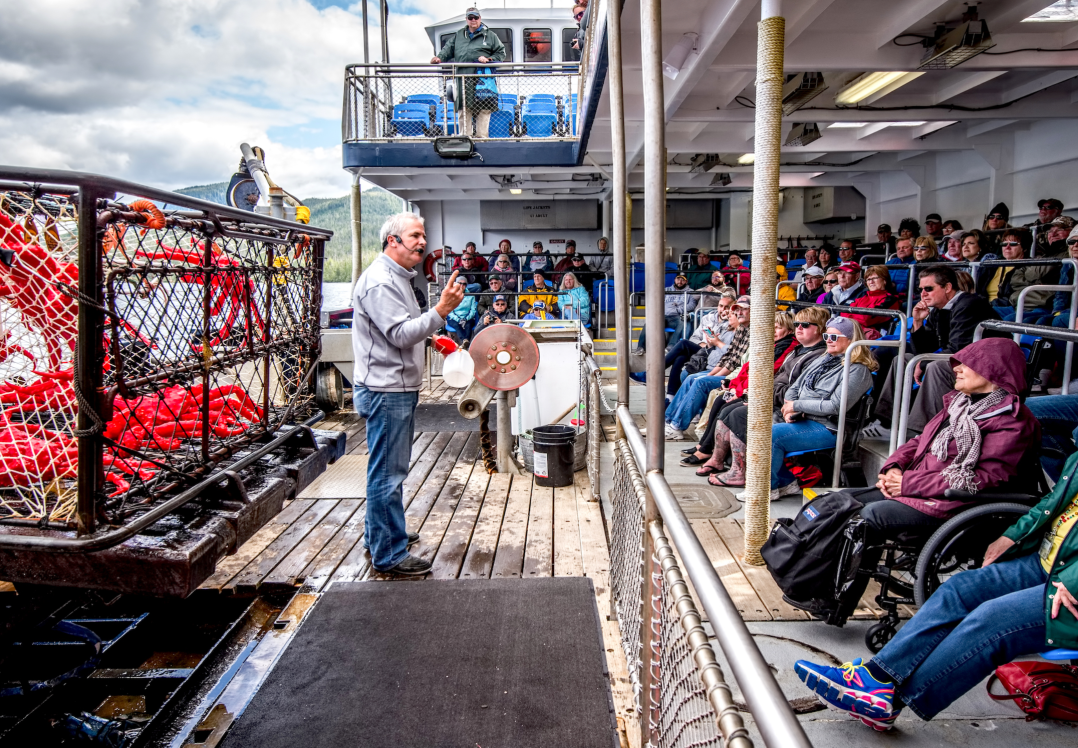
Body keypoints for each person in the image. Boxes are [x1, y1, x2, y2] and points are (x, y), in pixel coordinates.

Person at [790, 341, 1045, 732]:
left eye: (966, 362)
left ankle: (870, 669)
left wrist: (907, 481)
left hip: (956, 504)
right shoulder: (957, 405)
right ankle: (819, 597)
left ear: (993, 371)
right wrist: (893, 467)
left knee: (867, 516)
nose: (955, 367)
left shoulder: (1012, 420)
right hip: (923, 487)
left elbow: (979, 479)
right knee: (838, 501)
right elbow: (918, 444)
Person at [352, 213, 465, 575]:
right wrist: (441, 311)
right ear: (393, 242)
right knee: (389, 472)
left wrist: (432, 338)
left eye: (423, 235)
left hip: (394, 387)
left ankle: (381, 535)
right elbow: (399, 335)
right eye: (415, 235)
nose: (422, 242)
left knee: (386, 469)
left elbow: (398, 330)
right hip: (387, 390)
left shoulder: (397, 278)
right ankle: (389, 554)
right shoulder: (381, 283)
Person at [703, 317, 876, 497]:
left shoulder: (858, 369)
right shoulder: (824, 359)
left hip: (829, 427)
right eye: (826, 336)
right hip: (802, 417)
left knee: (770, 435)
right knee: (746, 421)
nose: (828, 341)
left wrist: (797, 405)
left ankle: (765, 489)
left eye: (833, 337)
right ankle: (785, 482)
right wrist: (789, 407)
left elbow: (835, 405)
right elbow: (795, 386)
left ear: (851, 340)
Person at [684, 306, 829, 469]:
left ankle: (734, 466)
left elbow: (789, 388)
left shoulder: (806, 353)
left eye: (805, 324)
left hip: (782, 405)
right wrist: (738, 387)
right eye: (797, 324)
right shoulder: (796, 351)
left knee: (731, 410)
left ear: (820, 329)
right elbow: (748, 368)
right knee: (719, 398)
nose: (799, 328)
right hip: (765, 394)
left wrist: (752, 393)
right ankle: (708, 450)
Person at [873, 265, 1000, 433]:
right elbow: (926, 348)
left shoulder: (969, 305)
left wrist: (923, 363)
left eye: (928, 289)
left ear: (947, 287)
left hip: (989, 367)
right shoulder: (940, 309)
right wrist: (917, 323)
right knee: (903, 359)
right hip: (967, 361)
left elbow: (959, 350)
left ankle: (918, 432)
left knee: (935, 366)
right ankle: (886, 422)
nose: (922, 294)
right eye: (921, 289)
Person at [663, 296, 750, 439]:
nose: (738, 313)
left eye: (743, 309)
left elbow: (733, 362)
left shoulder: (749, 330)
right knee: (691, 375)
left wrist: (711, 376)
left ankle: (676, 426)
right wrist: (711, 374)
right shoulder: (741, 328)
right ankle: (668, 420)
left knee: (698, 379)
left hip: (736, 377)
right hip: (722, 368)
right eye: (737, 310)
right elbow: (728, 357)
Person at [431, 8, 506, 138]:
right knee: (463, 110)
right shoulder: (459, 35)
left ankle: (482, 141)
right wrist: (439, 58)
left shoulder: (490, 35)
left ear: (480, 18)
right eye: (470, 17)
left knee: (484, 110)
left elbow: (501, 53)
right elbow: (448, 49)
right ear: (466, 19)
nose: (473, 20)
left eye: (475, 17)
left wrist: (489, 59)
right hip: (463, 81)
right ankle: (465, 141)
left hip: (483, 81)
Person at [655, 292, 737, 397]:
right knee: (680, 357)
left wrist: (713, 343)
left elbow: (726, 349)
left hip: (714, 354)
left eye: (727, 307)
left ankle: (655, 372)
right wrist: (704, 344)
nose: (723, 310)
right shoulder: (707, 318)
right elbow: (694, 338)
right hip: (703, 349)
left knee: (683, 343)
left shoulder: (732, 323)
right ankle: (670, 396)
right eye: (721, 306)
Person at [981, 227, 1055, 322]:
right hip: (993, 305)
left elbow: (1013, 295)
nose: (1007, 247)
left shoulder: (1030, 266)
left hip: (1012, 306)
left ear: (1024, 248)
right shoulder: (992, 266)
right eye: (1004, 244)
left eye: (1013, 244)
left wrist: (989, 304)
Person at [842, 265, 902, 339]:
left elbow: (867, 319)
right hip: (854, 334)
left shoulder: (891, 300)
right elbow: (843, 313)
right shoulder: (862, 298)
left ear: (884, 280)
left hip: (872, 339)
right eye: (868, 279)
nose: (871, 282)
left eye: (875, 278)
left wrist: (852, 316)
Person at [1050, 225, 1078, 328]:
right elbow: (1060, 294)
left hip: (1073, 311)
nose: (1075, 245)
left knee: (1060, 321)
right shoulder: (1068, 264)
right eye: (1071, 242)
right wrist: (1058, 311)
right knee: (1039, 321)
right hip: (1068, 310)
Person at [445, 278, 479, 343]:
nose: (462, 285)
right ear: (456, 284)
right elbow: (449, 310)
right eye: (460, 283)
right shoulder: (451, 295)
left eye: (464, 284)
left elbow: (473, 310)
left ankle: (464, 343)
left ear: (466, 285)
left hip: (467, 317)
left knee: (468, 325)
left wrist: (466, 318)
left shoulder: (471, 296)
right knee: (457, 325)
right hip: (453, 318)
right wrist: (458, 319)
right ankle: (465, 342)